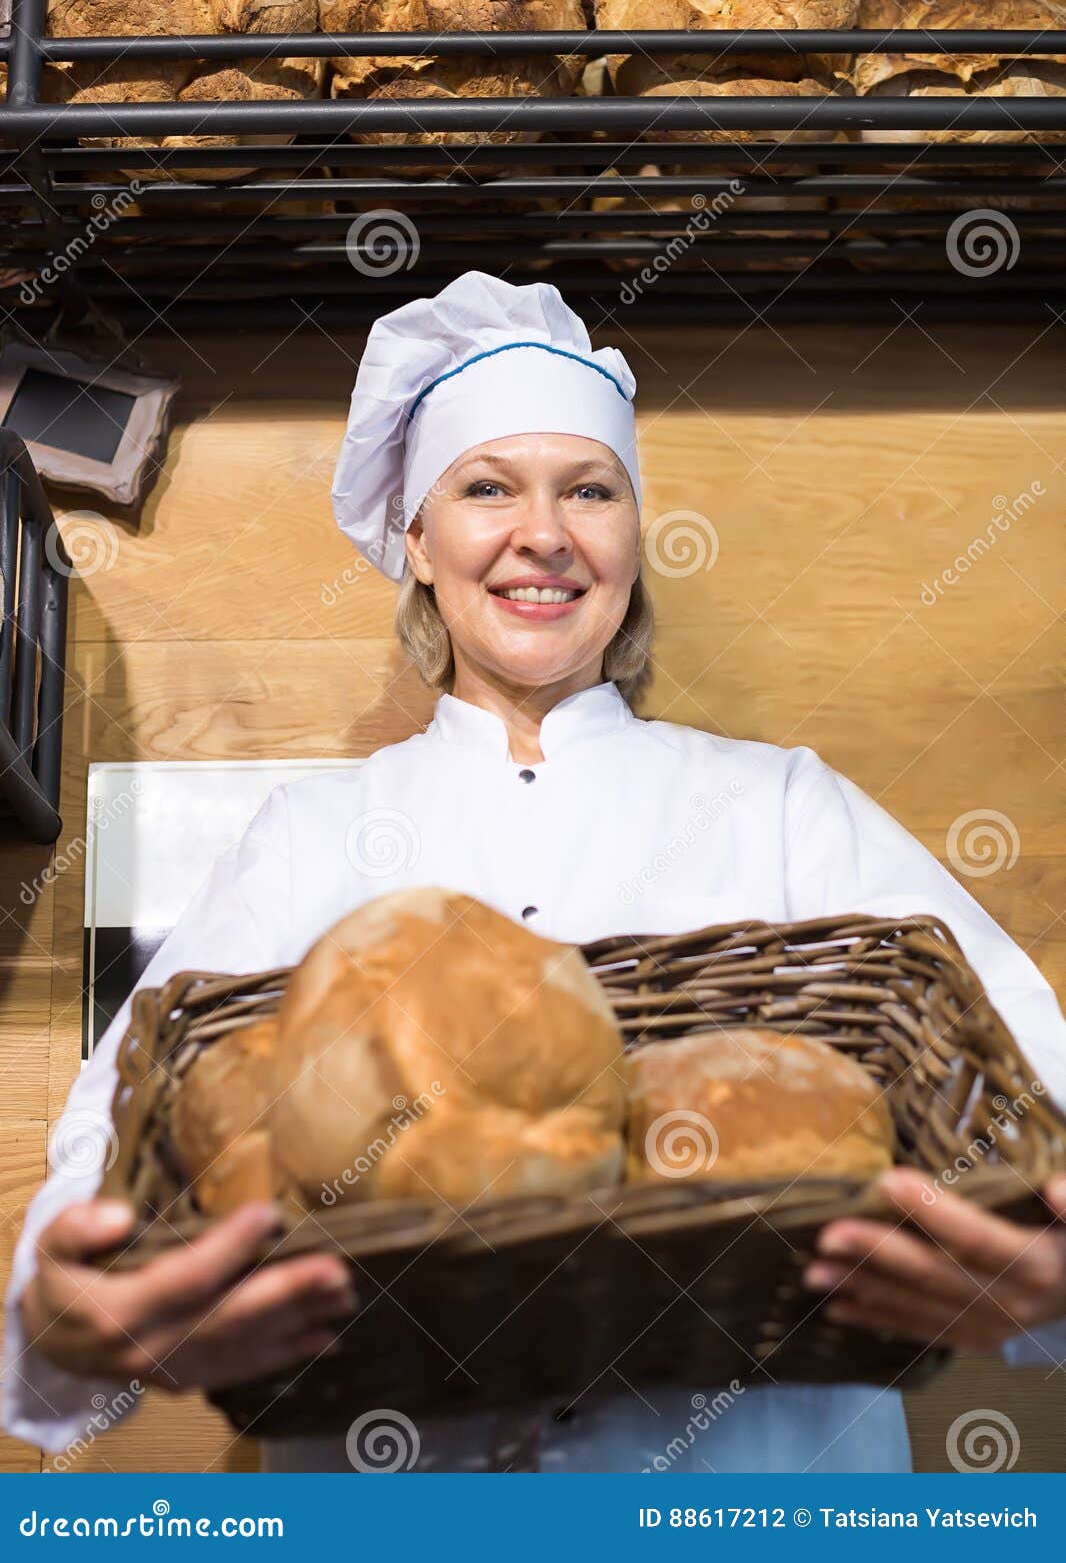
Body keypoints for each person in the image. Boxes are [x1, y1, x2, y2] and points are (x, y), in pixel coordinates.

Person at [5, 270, 1066, 1475]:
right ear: (414, 536)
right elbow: (118, 1143)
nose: (544, 533)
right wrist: (67, 1310)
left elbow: (1028, 1088)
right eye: (487, 487)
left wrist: (1044, 1269)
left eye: (589, 489)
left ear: (629, 536)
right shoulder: (310, 831)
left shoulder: (783, 803)